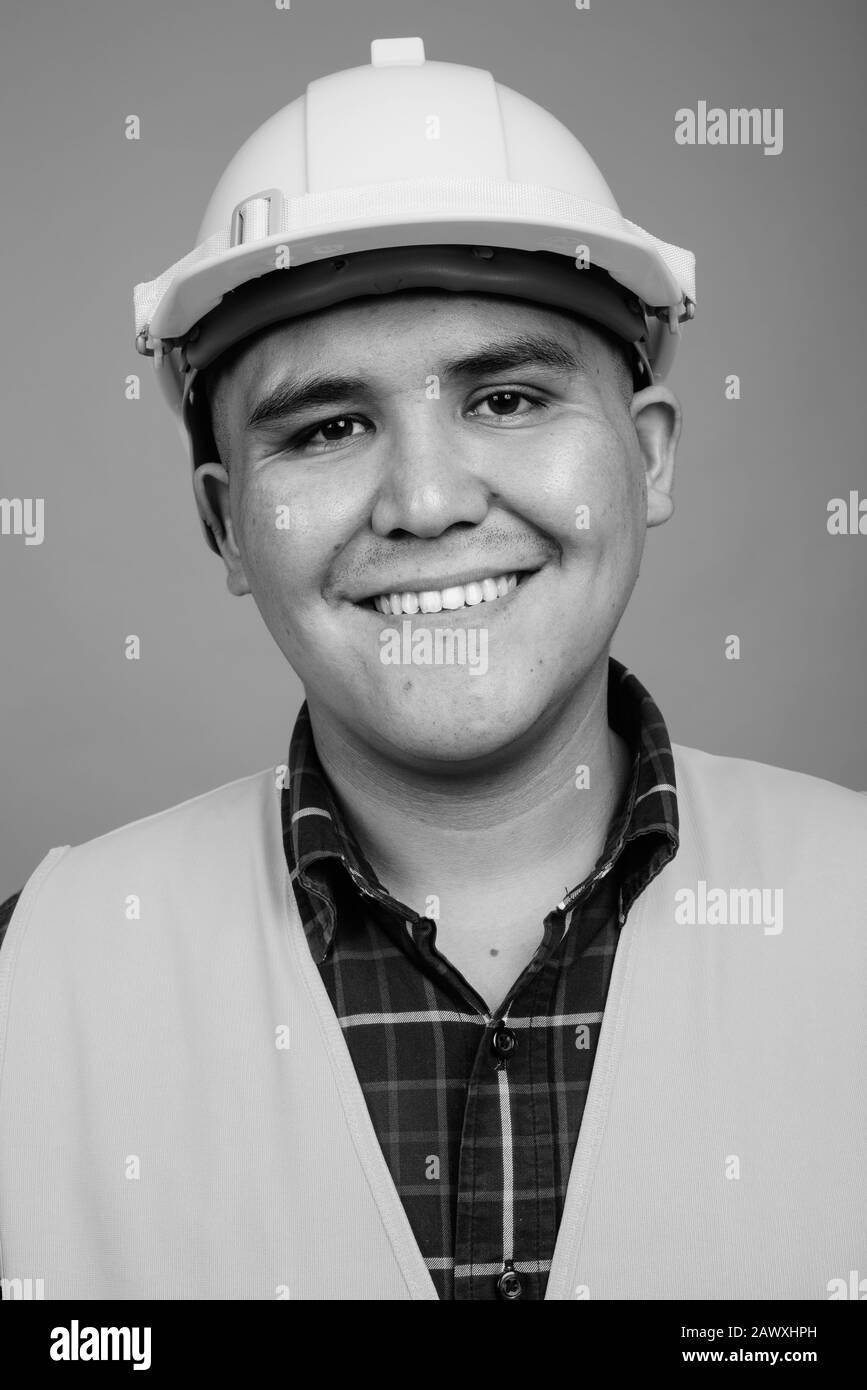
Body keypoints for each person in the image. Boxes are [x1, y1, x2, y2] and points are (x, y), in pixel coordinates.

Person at [1, 36, 864, 1303]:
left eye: (507, 399)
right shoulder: (37, 976)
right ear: (224, 522)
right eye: (328, 427)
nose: (424, 499)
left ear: (652, 459)